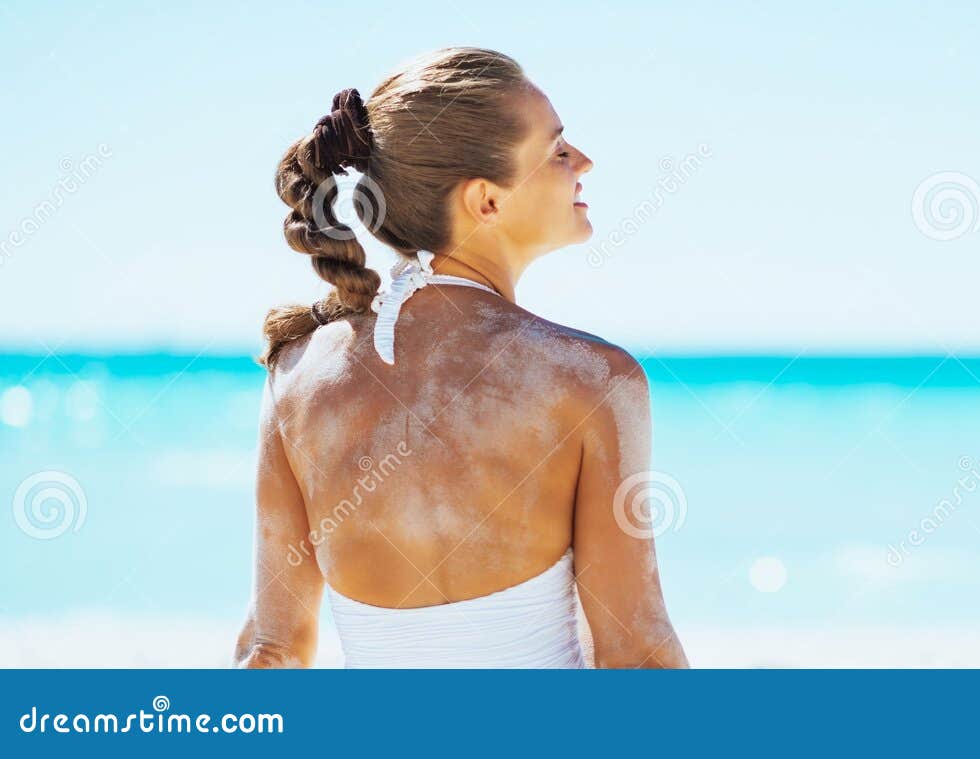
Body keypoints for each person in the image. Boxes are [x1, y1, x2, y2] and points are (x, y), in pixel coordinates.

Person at [233, 47, 687, 668]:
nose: (584, 161)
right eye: (557, 151)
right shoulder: (591, 381)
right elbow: (637, 655)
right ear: (487, 201)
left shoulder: (295, 375)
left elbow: (271, 651)